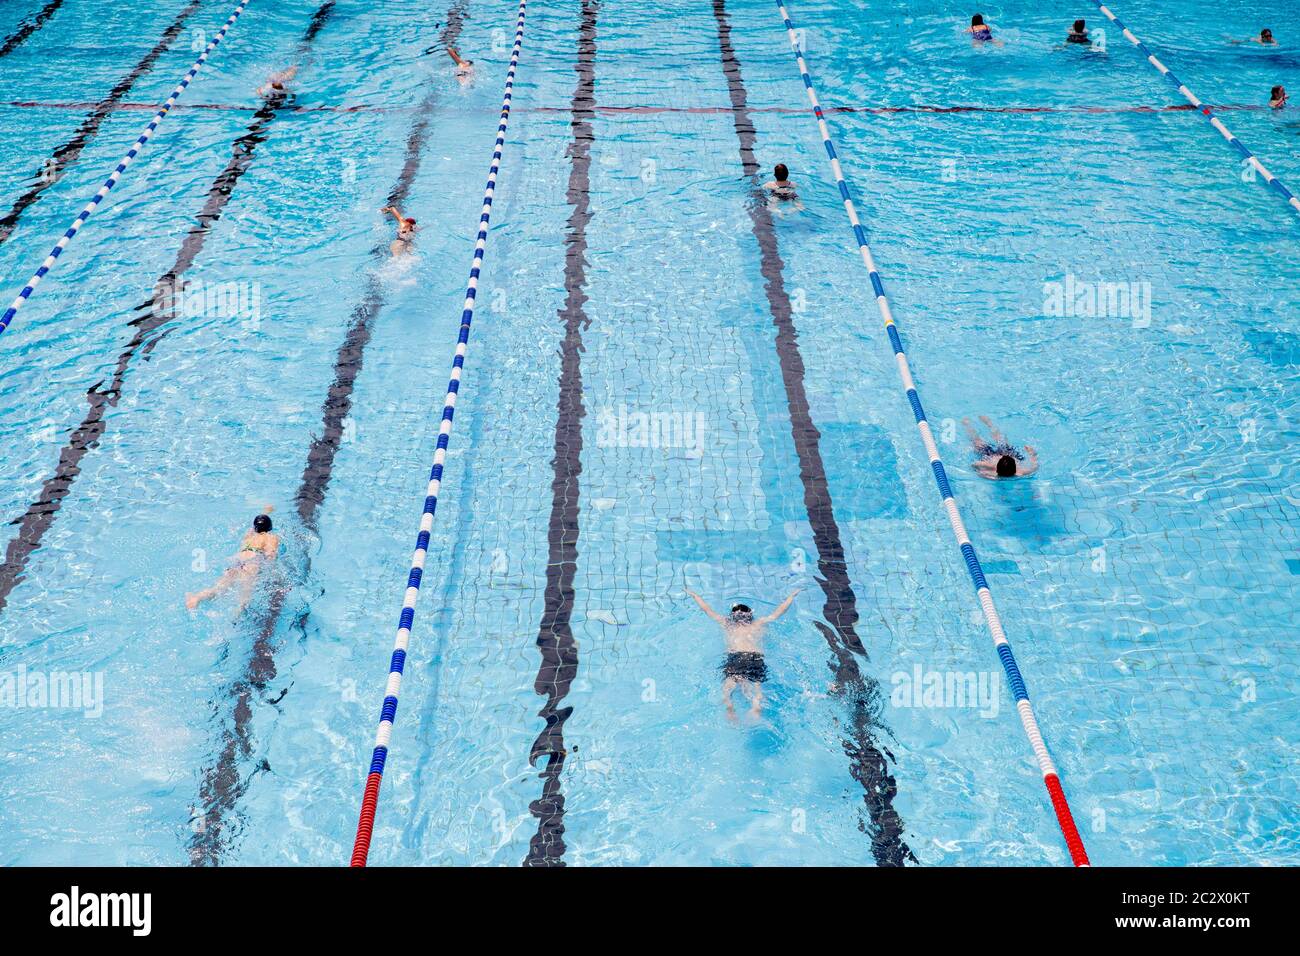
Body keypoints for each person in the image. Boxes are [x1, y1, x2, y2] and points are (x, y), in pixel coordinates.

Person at [687, 588, 799, 720]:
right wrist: (791, 597)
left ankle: (729, 707)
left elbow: (708, 610)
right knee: (757, 687)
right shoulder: (758, 623)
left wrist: (696, 596)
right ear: (750, 614)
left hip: (736, 657)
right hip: (755, 657)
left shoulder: (727, 624)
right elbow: (778, 613)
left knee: (728, 687)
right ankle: (756, 707)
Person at [186, 511, 280, 611]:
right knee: (244, 600)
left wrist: (267, 510)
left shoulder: (248, 536)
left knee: (218, 589)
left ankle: (196, 598)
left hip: (237, 560)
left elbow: (254, 527)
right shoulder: (270, 537)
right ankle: (234, 620)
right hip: (252, 561)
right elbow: (270, 554)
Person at [963, 415, 1038, 479]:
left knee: (978, 443)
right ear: (1015, 468)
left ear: (997, 468)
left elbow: (974, 464)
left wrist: (979, 472)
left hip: (991, 456)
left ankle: (968, 425)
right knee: (1001, 440)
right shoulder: (1020, 472)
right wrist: (1032, 454)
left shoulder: (990, 469)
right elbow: (1034, 467)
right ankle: (988, 423)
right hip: (1008, 454)